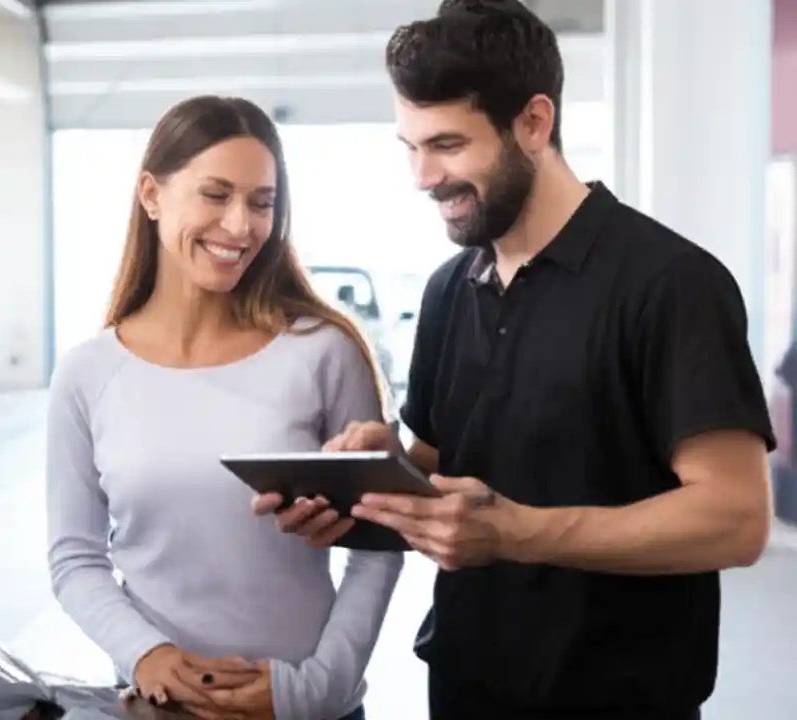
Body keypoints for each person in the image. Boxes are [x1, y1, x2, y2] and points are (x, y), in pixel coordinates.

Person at [253, 2, 776, 719]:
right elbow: (439, 477)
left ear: (534, 122)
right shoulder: (448, 290)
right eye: (408, 146)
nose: (422, 175)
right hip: (466, 683)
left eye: (446, 144)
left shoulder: (671, 285)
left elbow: (736, 519)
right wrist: (365, 485)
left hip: (622, 699)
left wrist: (514, 532)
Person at [46, 95, 403, 720]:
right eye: (216, 195)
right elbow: (74, 558)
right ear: (152, 195)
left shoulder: (321, 351)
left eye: (261, 203)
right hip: (160, 708)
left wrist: (311, 690)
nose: (240, 226)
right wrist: (146, 656)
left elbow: (378, 543)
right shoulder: (89, 373)